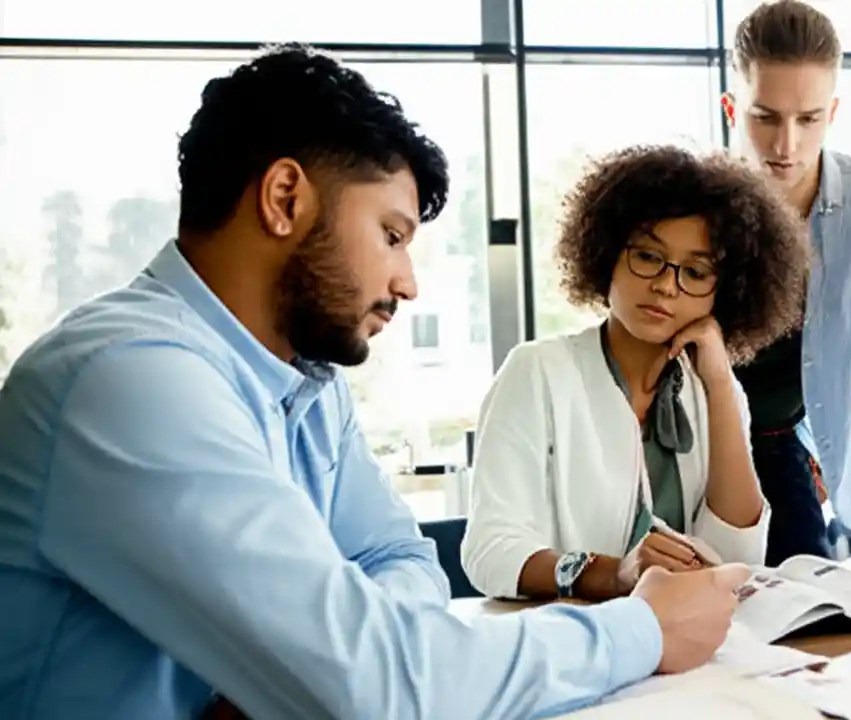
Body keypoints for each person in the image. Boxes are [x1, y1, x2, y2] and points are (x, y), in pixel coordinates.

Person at [0, 44, 753, 720]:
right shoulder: (130, 380)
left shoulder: (306, 385)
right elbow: (384, 689)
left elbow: (399, 563)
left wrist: (318, 666)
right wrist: (643, 627)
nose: (408, 281)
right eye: (391, 235)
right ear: (284, 199)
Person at [461, 145, 809, 601]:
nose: (666, 285)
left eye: (696, 272)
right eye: (647, 257)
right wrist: (613, 573)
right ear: (607, 255)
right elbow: (490, 552)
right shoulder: (538, 372)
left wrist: (721, 386)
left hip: (682, 651)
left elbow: (736, 559)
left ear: (724, 292)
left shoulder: (712, 392)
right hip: (564, 645)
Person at [722, 0, 851, 564]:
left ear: (831, 113)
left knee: (813, 615)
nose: (786, 145)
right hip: (692, 454)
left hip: (795, 448)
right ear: (730, 107)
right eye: (765, 117)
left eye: (808, 119)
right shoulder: (692, 206)